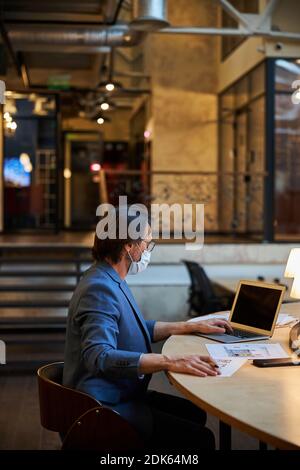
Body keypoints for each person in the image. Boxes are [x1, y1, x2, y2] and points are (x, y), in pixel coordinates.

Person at [63, 208, 232, 451]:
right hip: (105, 406)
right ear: (129, 247)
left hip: (122, 392)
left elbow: (134, 328)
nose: (147, 249)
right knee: (202, 439)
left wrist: (190, 326)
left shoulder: (107, 276)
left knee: (193, 413)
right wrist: (169, 361)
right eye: (146, 242)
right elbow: (99, 356)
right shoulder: (98, 289)